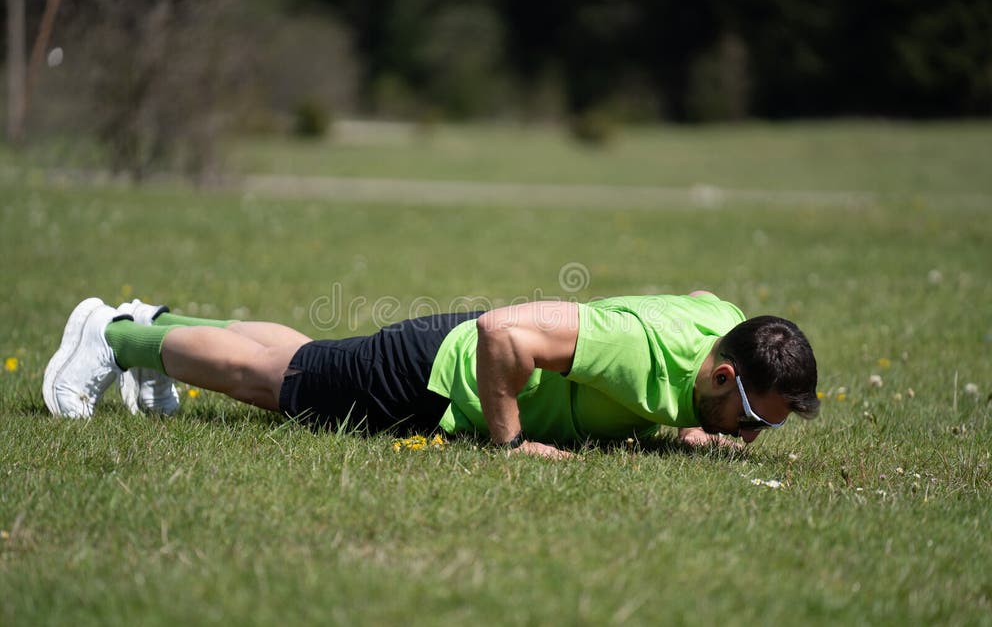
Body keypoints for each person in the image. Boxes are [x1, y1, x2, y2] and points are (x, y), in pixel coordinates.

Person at [42, 291, 820, 458]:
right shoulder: (637, 349)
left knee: (302, 357)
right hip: (432, 376)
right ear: (721, 374)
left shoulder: (721, 327)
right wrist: (510, 443)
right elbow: (501, 331)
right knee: (276, 383)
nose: (752, 433)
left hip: (436, 358)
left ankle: (151, 322)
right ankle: (112, 338)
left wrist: (689, 422)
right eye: (752, 415)